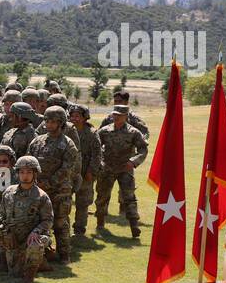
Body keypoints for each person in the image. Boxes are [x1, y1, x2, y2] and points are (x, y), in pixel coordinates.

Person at [28, 105, 82, 262]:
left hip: (60, 191)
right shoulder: (37, 142)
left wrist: (49, 183)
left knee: (60, 223)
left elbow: (67, 169)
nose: (48, 124)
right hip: (38, 190)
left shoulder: (68, 144)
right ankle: (42, 252)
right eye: (47, 121)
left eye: (52, 121)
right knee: (38, 221)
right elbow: (29, 163)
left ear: (61, 123)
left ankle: (64, 255)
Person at [0, 156, 55, 283]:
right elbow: (2, 217)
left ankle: (30, 273)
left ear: (35, 174)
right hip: (13, 237)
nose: (25, 176)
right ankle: (40, 262)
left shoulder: (41, 196)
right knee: (14, 274)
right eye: (21, 172)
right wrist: (6, 233)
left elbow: (48, 220)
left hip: (31, 237)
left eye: (29, 172)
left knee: (36, 243)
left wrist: (36, 231)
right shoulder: (8, 193)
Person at [95, 105, 148, 238]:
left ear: (126, 116)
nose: (116, 117)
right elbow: (95, 146)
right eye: (115, 114)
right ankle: (100, 223)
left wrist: (133, 161)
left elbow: (143, 149)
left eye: (119, 115)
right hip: (107, 169)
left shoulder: (133, 132)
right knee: (102, 196)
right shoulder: (104, 131)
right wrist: (100, 162)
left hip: (125, 169)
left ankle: (134, 226)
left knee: (129, 198)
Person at [69, 104, 102, 238]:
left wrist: (91, 171)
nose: (74, 118)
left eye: (77, 116)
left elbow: (97, 154)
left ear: (84, 117)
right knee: (65, 202)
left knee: (82, 203)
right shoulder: (67, 131)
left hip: (85, 174)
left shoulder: (92, 133)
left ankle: (79, 230)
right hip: (69, 173)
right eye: (72, 116)